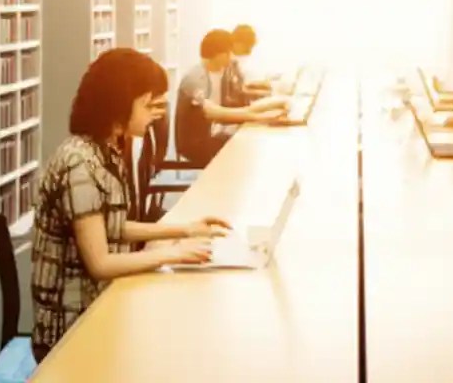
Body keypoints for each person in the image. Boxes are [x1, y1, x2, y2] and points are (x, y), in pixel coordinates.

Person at [31, 48, 230, 362]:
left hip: (94, 304)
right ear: (119, 106)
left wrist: (185, 228)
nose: (155, 113)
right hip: (70, 327)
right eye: (147, 104)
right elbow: (100, 263)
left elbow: (113, 226)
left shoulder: (105, 150)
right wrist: (173, 253)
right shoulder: (79, 164)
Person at [176, 29, 287, 165]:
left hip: (212, 135)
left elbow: (233, 107)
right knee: (244, 150)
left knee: (248, 143)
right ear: (219, 54)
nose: (232, 58)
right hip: (195, 143)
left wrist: (276, 103)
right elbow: (211, 112)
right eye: (229, 53)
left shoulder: (219, 73)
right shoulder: (194, 78)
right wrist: (257, 117)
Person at [231, 23, 272, 97]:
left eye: (251, 47)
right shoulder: (228, 61)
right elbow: (239, 90)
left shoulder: (244, 58)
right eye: (247, 47)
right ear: (237, 43)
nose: (249, 51)